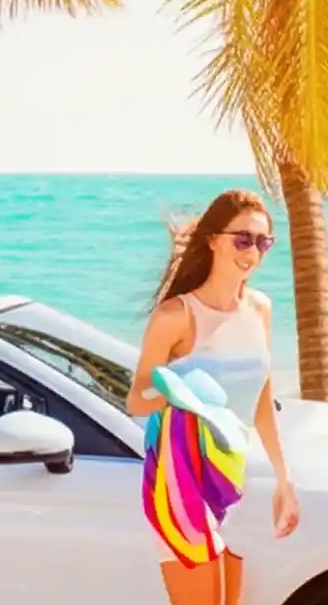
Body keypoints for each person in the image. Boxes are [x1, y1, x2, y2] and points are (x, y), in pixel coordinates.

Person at [126, 188, 299, 605]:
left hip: (235, 475)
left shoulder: (260, 308)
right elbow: (137, 400)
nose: (252, 251)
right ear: (212, 241)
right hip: (182, 478)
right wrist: (181, 396)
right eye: (242, 239)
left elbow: (261, 399)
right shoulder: (176, 316)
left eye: (262, 242)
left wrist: (283, 478)